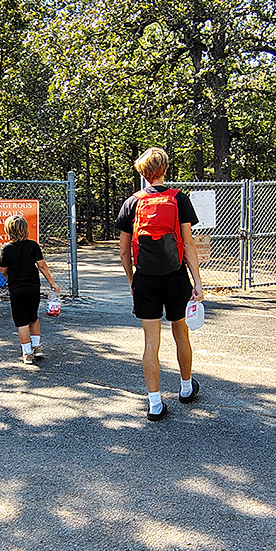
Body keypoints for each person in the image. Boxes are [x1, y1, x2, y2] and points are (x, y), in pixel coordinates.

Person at [115, 147, 204, 420]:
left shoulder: (132, 203)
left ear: (143, 172)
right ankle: (186, 389)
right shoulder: (179, 199)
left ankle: (155, 404)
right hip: (176, 276)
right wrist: (197, 282)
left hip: (146, 279)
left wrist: (132, 280)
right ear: (164, 169)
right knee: (181, 333)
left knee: (151, 341)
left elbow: (123, 251)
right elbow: (187, 244)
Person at [0, 214, 62, 364]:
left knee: (22, 322)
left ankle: (27, 353)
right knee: (33, 317)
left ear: (8, 230)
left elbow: (2, 270)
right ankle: (37, 347)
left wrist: (9, 278)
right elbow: (42, 266)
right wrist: (52, 283)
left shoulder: (6, 249)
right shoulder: (33, 246)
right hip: (33, 287)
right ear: (26, 229)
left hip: (16, 289)